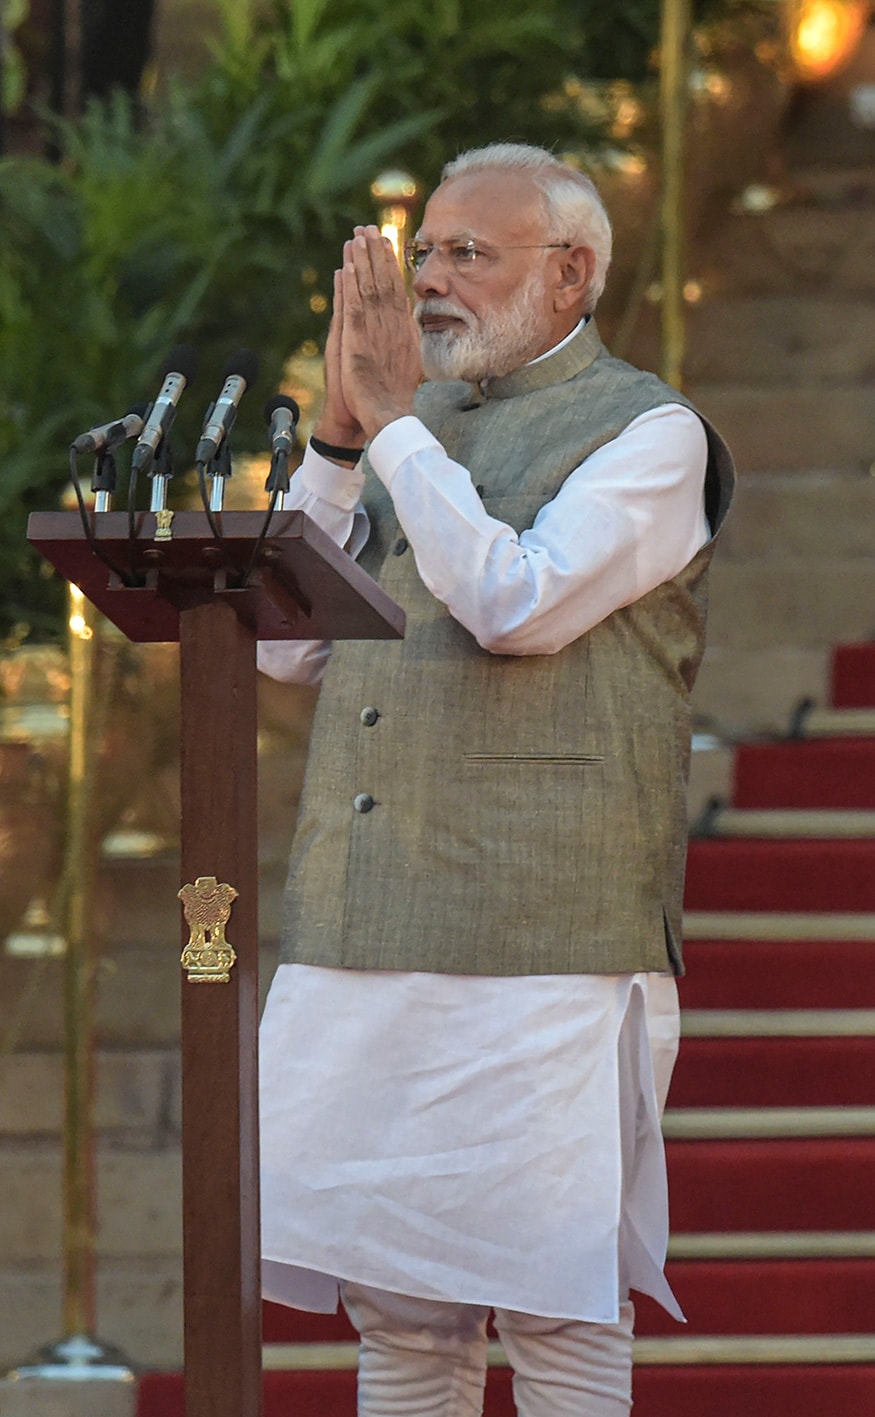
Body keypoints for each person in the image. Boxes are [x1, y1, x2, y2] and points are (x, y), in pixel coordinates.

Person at [257, 142, 734, 1417]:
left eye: (467, 253)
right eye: (423, 253)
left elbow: (514, 603)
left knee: (555, 1310)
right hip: (363, 921)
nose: (429, 280)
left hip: (545, 943)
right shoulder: (406, 430)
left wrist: (394, 428)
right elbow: (282, 645)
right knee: (400, 1319)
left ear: (570, 273)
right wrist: (336, 439)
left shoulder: (650, 434)